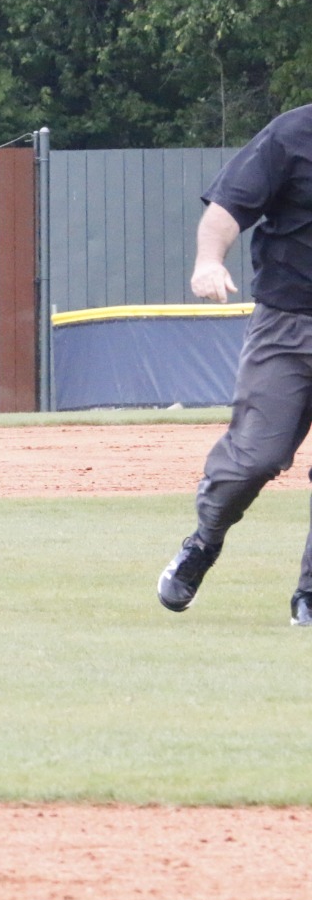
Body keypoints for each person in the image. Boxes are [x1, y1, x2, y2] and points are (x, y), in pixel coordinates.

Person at [158, 103, 312, 625]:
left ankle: (308, 597)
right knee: (254, 459)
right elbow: (228, 208)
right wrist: (208, 260)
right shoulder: (293, 133)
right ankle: (204, 542)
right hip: (289, 324)